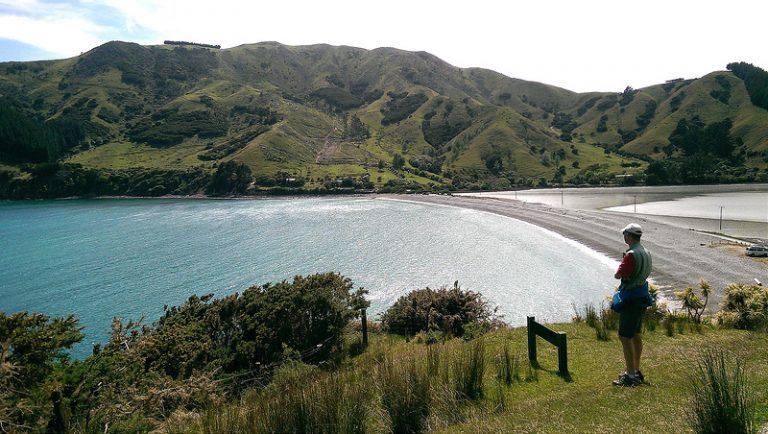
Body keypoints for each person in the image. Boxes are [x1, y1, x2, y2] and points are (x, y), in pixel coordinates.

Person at [611, 223, 653, 387]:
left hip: (631, 298)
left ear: (628, 236)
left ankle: (630, 376)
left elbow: (619, 274)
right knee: (635, 334)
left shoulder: (631, 254)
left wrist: (623, 266)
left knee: (624, 336)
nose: (624, 237)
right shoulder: (646, 252)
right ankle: (635, 370)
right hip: (642, 296)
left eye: (625, 235)